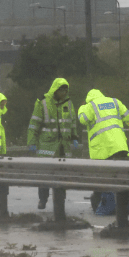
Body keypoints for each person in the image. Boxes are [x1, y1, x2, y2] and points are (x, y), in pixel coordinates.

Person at [27, 78, 81, 210]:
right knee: (45, 176)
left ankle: (60, 200)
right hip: (47, 146)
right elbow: (34, 125)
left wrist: (74, 137)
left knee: (62, 176)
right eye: (61, 90)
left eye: (66, 90)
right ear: (55, 90)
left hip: (63, 147)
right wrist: (31, 142)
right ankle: (43, 199)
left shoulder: (68, 104)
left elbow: (72, 123)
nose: (64, 92)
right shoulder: (43, 103)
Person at [78, 89, 129, 211]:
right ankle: (124, 207)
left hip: (102, 150)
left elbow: (83, 119)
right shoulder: (114, 102)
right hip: (120, 147)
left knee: (101, 179)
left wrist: (82, 108)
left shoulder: (89, 106)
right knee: (123, 178)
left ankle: (99, 205)